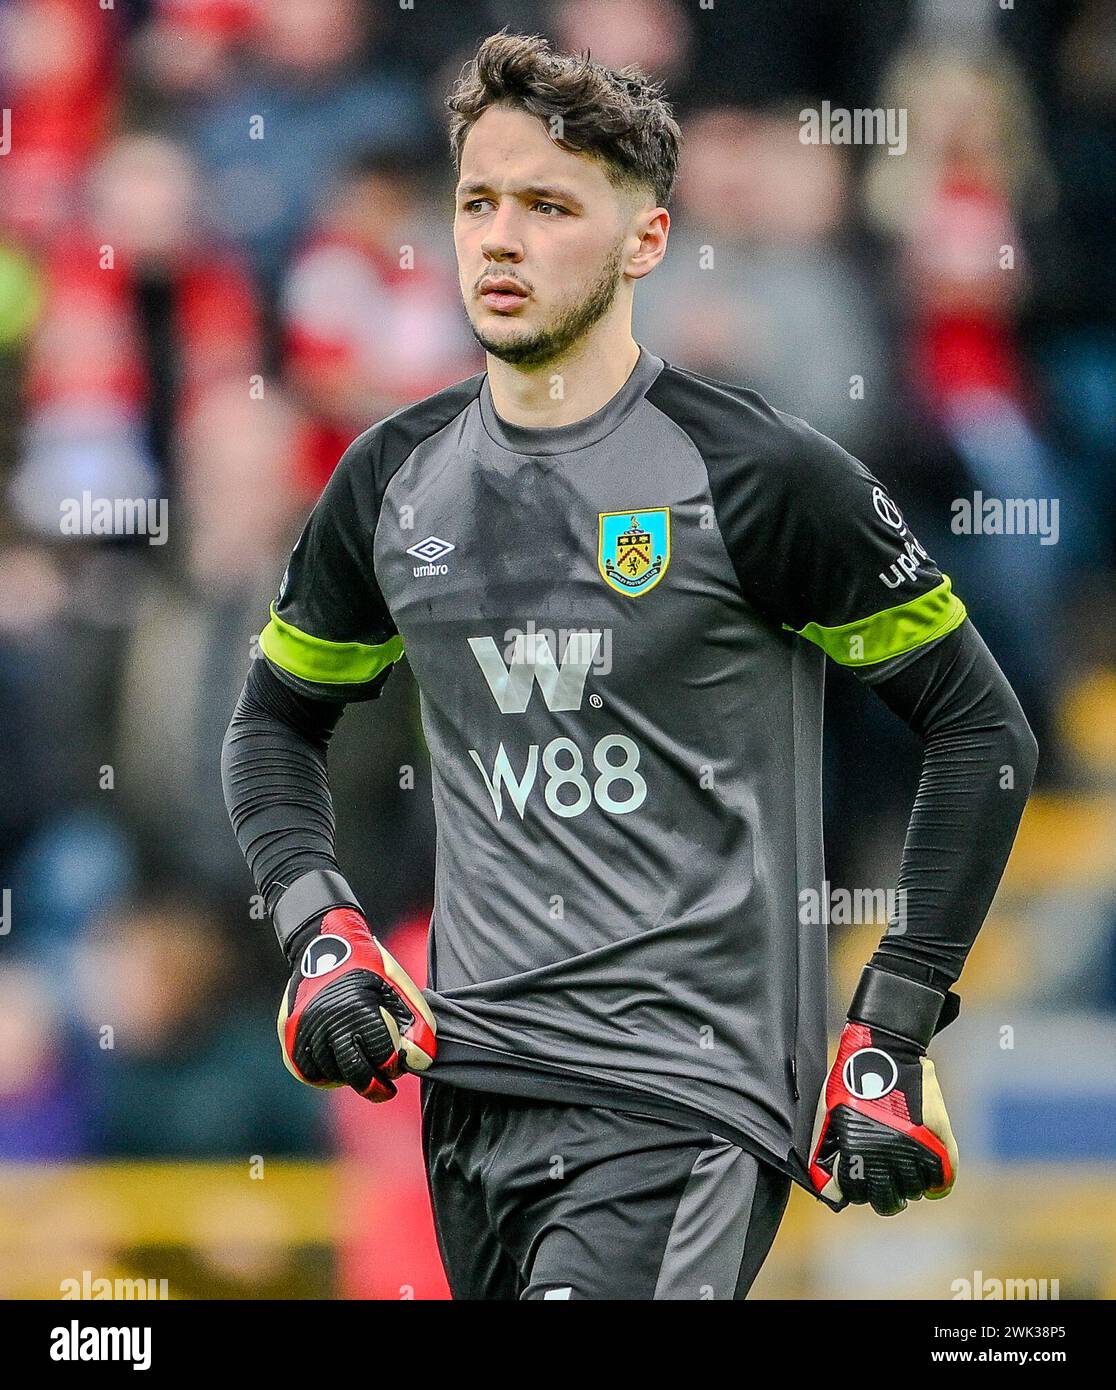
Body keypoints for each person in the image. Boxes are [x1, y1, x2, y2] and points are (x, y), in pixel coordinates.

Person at [222, 31, 1038, 1300]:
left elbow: (983, 732)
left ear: (644, 242)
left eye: (549, 207)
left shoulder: (763, 475)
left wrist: (890, 1022)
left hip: (682, 1097)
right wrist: (318, 925)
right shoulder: (391, 478)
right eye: (479, 202)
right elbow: (272, 723)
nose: (500, 237)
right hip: (471, 1093)